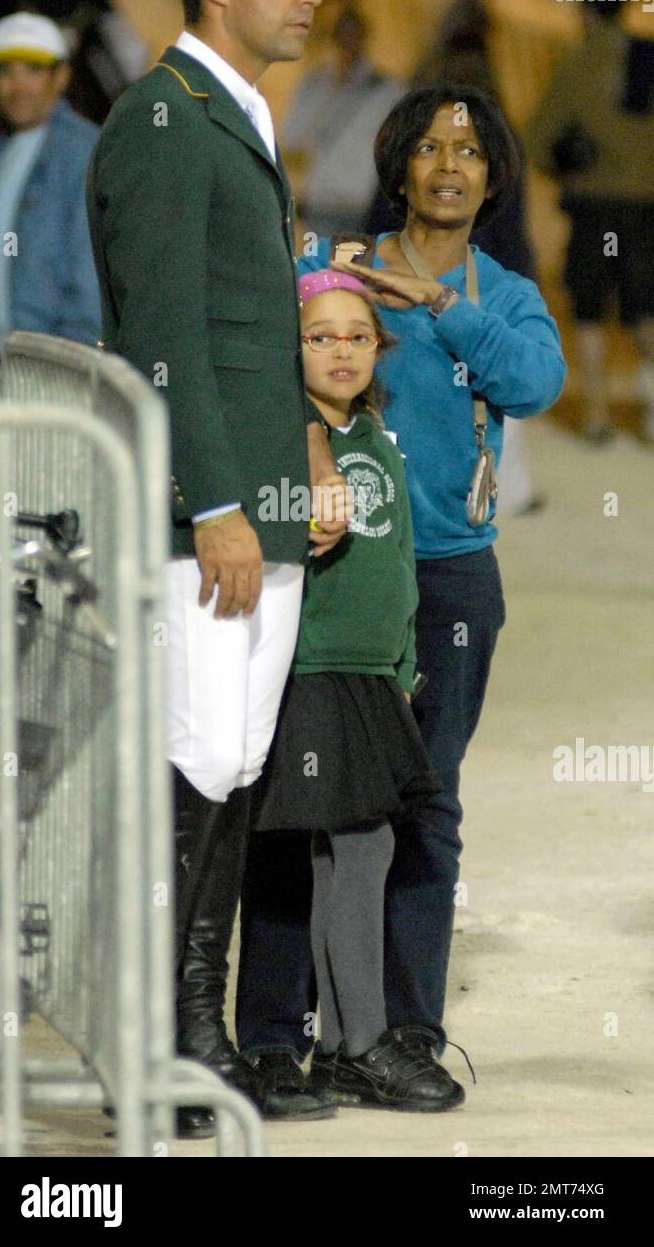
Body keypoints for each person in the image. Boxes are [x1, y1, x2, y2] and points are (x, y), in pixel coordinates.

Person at [237, 83, 566, 1098]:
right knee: (297, 796)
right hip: (327, 568)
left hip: (448, 581)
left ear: (492, 176)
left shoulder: (498, 293)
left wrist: (435, 305)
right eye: (427, 146)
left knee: (422, 804)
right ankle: (274, 1037)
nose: (448, 163)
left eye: (468, 149)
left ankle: (398, 1030)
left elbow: (532, 382)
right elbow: (261, 345)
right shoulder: (332, 267)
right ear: (397, 164)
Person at [87, 0, 350, 1137]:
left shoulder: (238, 116)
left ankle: (200, 1036)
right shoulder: (161, 119)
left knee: (235, 766)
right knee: (191, 766)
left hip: (267, 503)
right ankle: (161, 1047)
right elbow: (161, 339)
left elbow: (254, 333)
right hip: (214, 518)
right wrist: (215, 506)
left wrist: (305, 456)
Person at [249, 266, 464, 1111]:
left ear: (380, 348)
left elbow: (400, 563)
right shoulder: (288, 439)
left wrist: (405, 662)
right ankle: (348, 1043)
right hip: (312, 671)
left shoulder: (375, 437)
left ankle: (344, 1045)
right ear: (289, 347)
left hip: (371, 674)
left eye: (357, 335)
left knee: (359, 847)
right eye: (319, 335)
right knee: (339, 848)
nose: (341, 350)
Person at [526, 0, 654, 444]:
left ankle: (598, 417)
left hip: (593, 207)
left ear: (586, 13)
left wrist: (565, 166)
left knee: (589, 308)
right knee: (645, 308)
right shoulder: (647, 57)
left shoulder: (576, 64)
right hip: (645, 208)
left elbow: (540, 139)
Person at [0, 12, 101, 358]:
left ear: (61, 76)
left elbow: (88, 281)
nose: (18, 87)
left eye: (33, 70)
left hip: (57, 366)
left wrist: (70, 363)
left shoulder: (82, 152)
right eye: (5, 71)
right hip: (11, 361)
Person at [282, 6, 403, 237]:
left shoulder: (386, 90)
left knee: (356, 272)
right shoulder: (315, 83)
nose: (349, 43)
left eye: (354, 35)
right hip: (321, 201)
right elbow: (292, 136)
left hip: (361, 203)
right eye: (343, 35)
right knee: (321, 272)